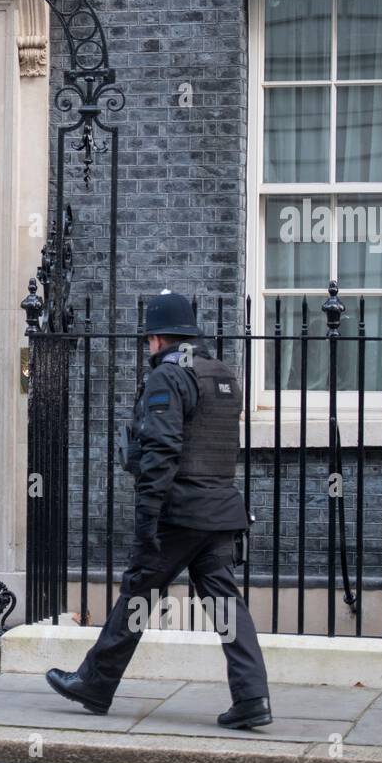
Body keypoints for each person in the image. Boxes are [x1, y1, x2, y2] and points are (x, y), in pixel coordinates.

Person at [45, 290, 272, 729]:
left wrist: (147, 516)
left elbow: (162, 449)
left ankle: (95, 682)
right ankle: (252, 697)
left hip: (179, 513)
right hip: (221, 512)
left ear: (157, 338)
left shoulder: (168, 377)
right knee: (226, 607)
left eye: (148, 338)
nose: (148, 346)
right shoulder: (223, 375)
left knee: (137, 594)